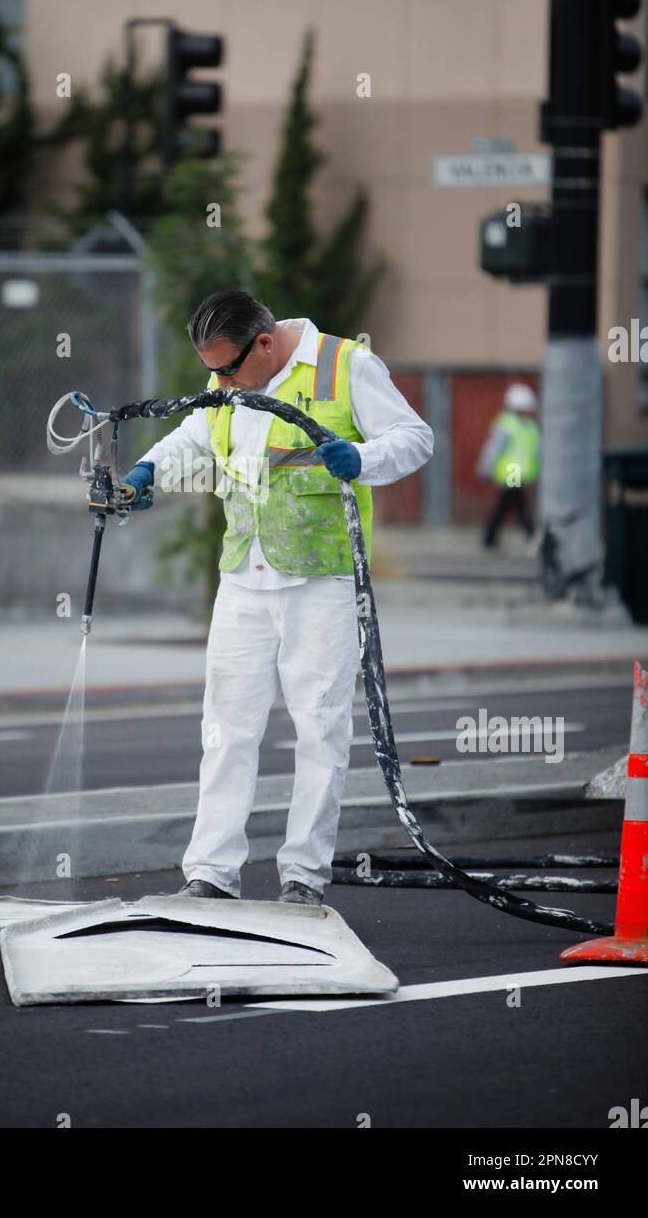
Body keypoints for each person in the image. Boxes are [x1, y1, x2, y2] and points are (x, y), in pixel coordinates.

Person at [122, 290, 434, 905]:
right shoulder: (230, 377)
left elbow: (415, 438)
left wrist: (363, 456)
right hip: (243, 575)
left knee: (320, 730)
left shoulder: (344, 365)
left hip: (323, 579)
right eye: (211, 370)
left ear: (264, 344)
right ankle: (211, 873)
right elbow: (195, 437)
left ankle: (303, 879)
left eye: (227, 369)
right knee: (226, 730)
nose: (218, 381)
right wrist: (147, 471)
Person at [475, 383, 540, 549]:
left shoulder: (530, 426)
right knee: (518, 504)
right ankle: (531, 535)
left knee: (506, 505)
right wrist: (484, 468)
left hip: (519, 473)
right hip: (511, 472)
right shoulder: (507, 424)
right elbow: (494, 449)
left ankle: (489, 538)